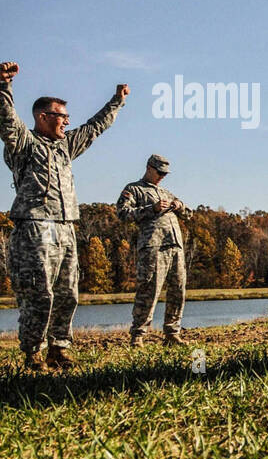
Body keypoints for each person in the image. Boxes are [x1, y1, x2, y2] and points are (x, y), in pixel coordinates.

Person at [1, 61, 128, 371]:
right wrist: (4, 86)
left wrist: (116, 102)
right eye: (62, 117)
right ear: (44, 117)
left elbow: (95, 127)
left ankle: (60, 347)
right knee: (39, 292)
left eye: (67, 117)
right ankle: (33, 353)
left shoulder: (65, 147)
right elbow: (7, 122)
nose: (66, 123)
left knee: (67, 292)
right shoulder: (25, 144)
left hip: (66, 226)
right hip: (35, 226)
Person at [117, 154, 190, 347]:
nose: (162, 176)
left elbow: (189, 213)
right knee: (149, 291)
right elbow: (123, 213)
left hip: (175, 245)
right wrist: (152, 209)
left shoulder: (166, 192)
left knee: (178, 290)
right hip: (153, 247)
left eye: (165, 174)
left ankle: (172, 333)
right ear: (149, 168)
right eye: (159, 172)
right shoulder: (134, 189)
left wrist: (179, 206)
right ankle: (138, 335)